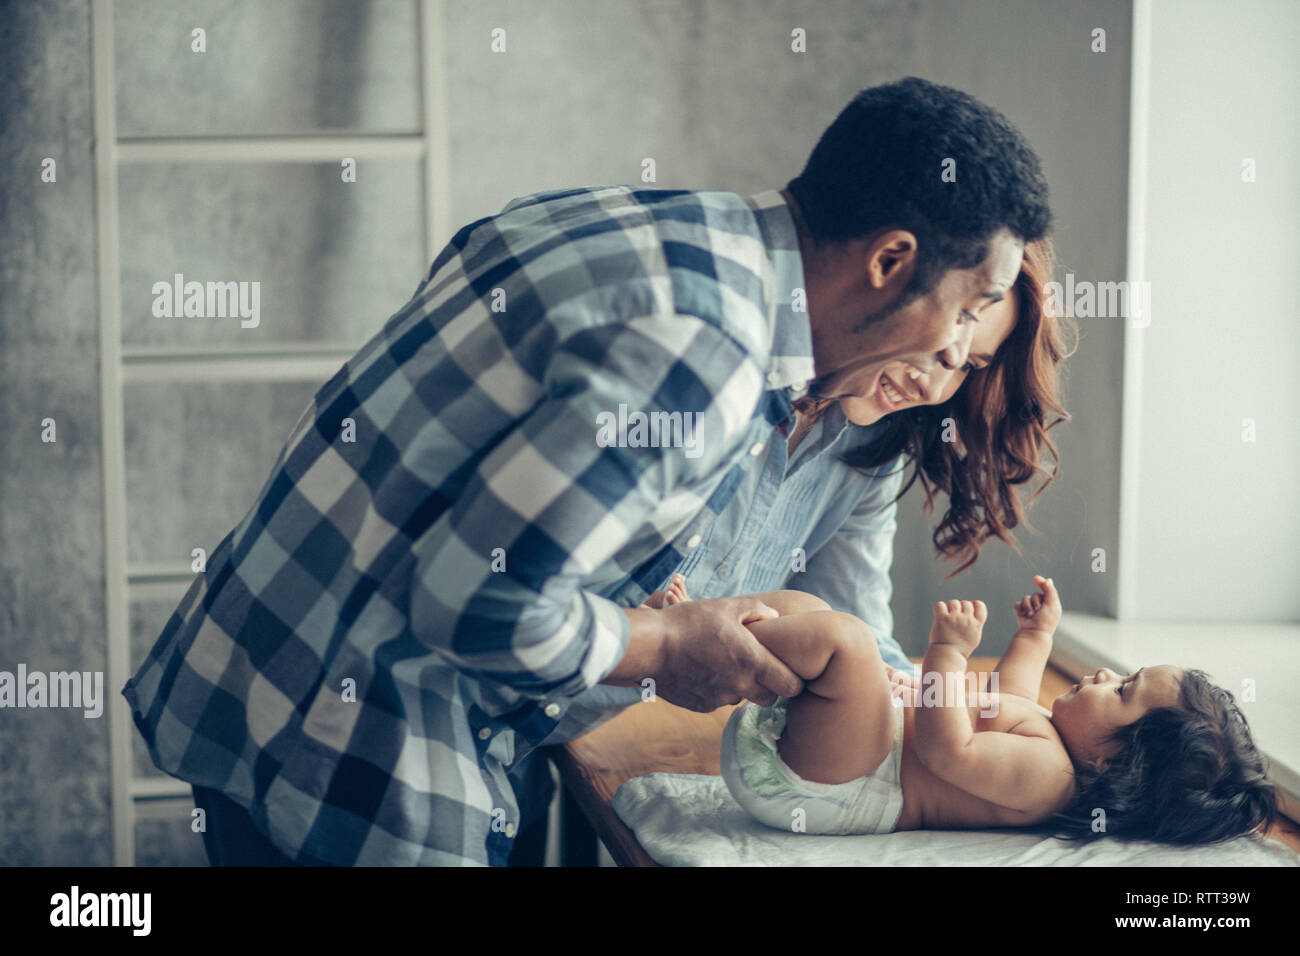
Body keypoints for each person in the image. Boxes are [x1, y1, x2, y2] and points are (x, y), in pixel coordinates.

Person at [122, 76, 1052, 866]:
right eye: (967, 309)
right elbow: (475, 605)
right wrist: (669, 648)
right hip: (366, 754)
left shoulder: (634, 223)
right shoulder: (708, 354)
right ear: (891, 261)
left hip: (258, 670)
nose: (955, 349)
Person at [701, 575, 1276, 844]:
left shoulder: (1050, 779)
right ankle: (703, 627)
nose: (1106, 675)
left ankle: (701, 645)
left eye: (1122, 691)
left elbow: (948, 749)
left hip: (834, 786)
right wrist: (1036, 634)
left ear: (1116, 768)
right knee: (808, 607)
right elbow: (1012, 694)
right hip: (830, 751)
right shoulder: (1046, 737)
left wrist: (948, 654)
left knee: (846, 642)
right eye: (1126, 674)